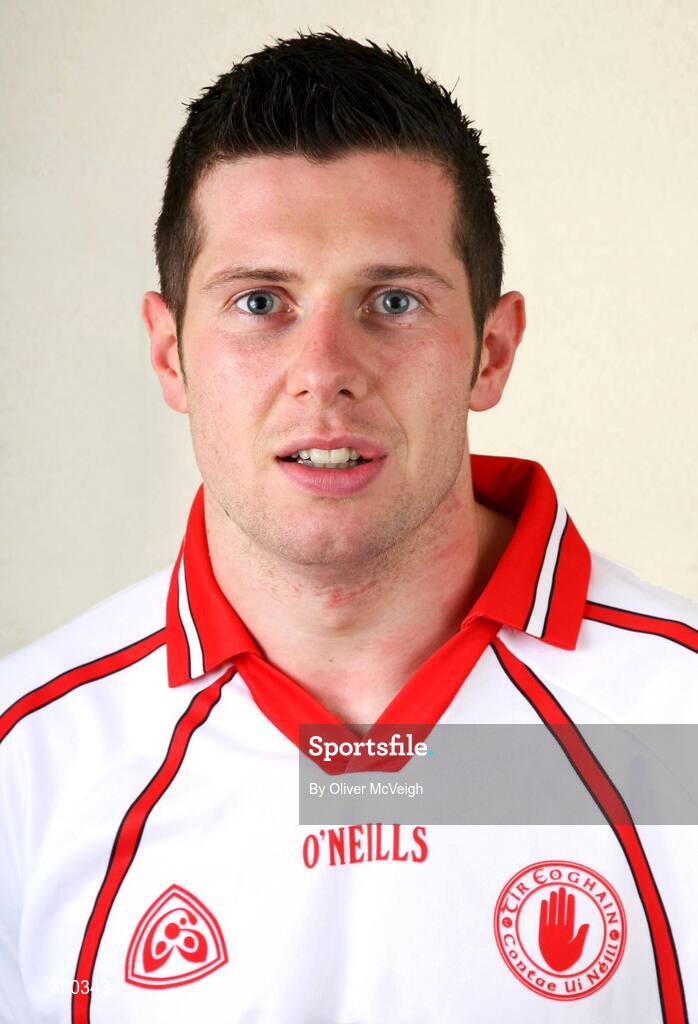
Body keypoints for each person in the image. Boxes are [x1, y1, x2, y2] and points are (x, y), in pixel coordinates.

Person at [1, 29, 696, 1024]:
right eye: (258, 301)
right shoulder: (26, 759)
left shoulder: (682, 723)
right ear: (168, 355)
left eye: (392, 300)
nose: (324, 368)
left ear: (490, 351)